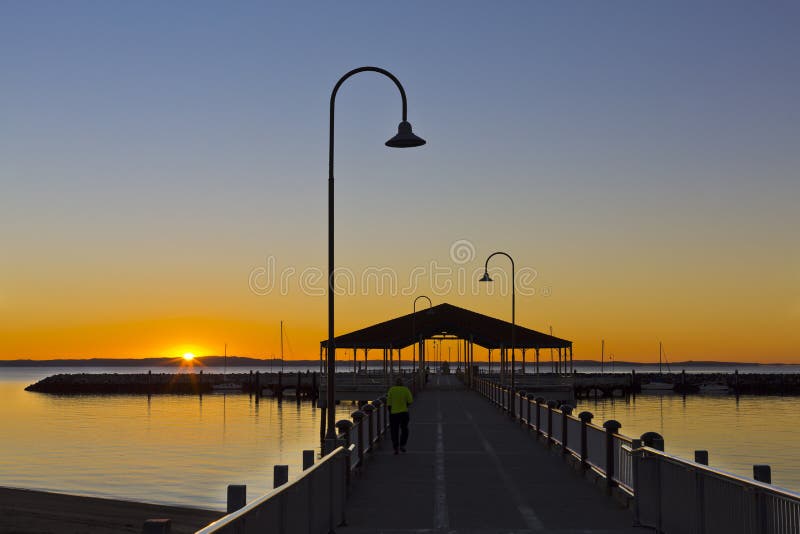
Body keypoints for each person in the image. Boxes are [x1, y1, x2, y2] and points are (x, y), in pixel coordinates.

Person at [386, 376, 413, 455]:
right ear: (402, 383)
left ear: (395, 383)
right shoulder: (405, 390)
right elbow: (410, 401)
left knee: (394, 431)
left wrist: (390, 412)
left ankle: (395, 448)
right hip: (404, 413)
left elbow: (389, 403)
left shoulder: (391, 390)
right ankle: (402, 445)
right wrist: (405, 405)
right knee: (405, 429)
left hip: (394, 414)